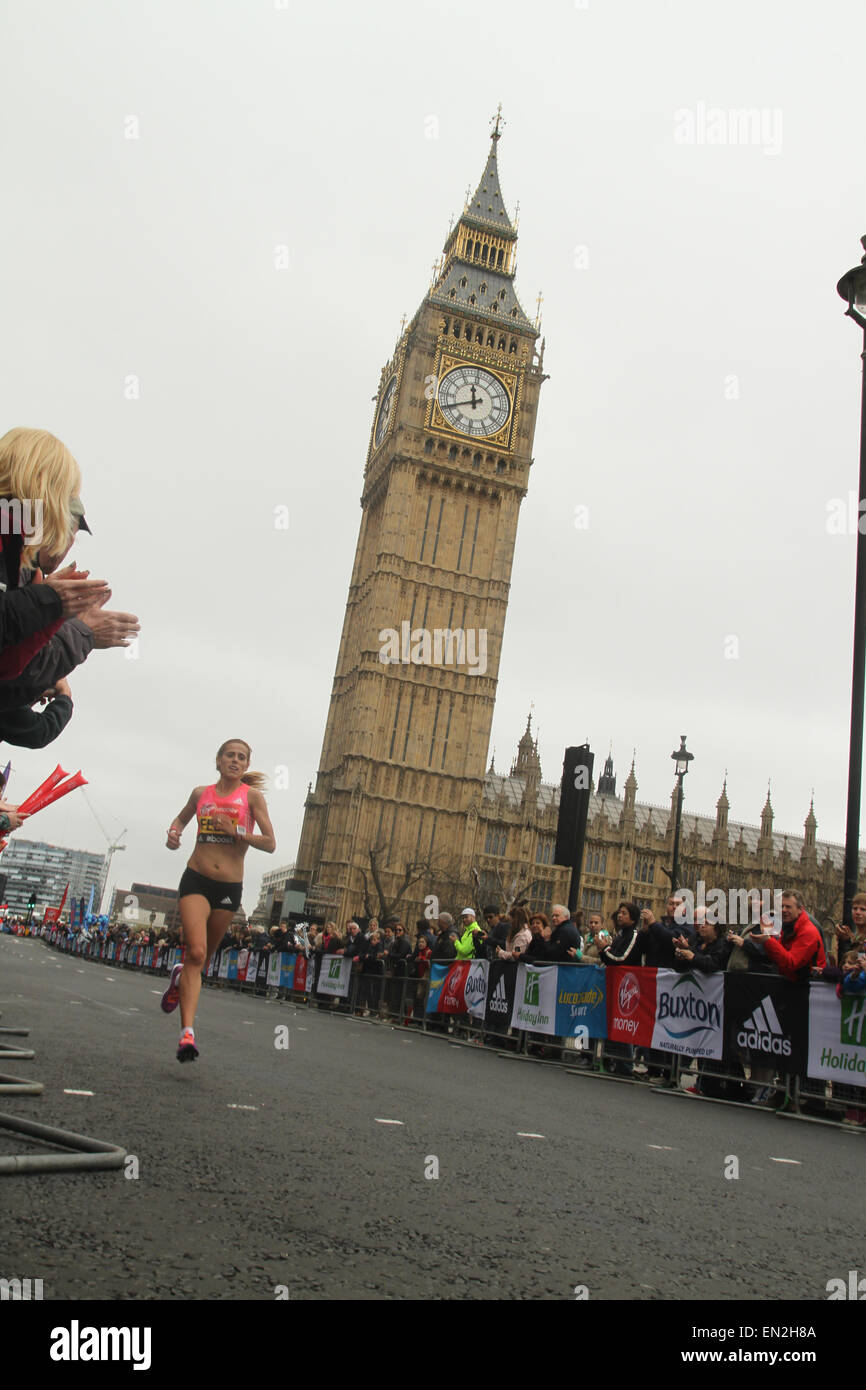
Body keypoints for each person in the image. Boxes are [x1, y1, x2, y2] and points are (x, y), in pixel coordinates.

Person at [162, 738, 276, 1061]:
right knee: (196, 952)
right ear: (218, 760)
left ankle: (180, 979)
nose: (235, 761)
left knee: (202, 961)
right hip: (196, 878)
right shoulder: (201, 794)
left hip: (229, 889)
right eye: (230, 755)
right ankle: (187, 1034)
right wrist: (173, 834)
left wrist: (237, 832)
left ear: (246, 765)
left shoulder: (251, 797)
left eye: (242, 757)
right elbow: (180, 820)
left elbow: (270, 843)